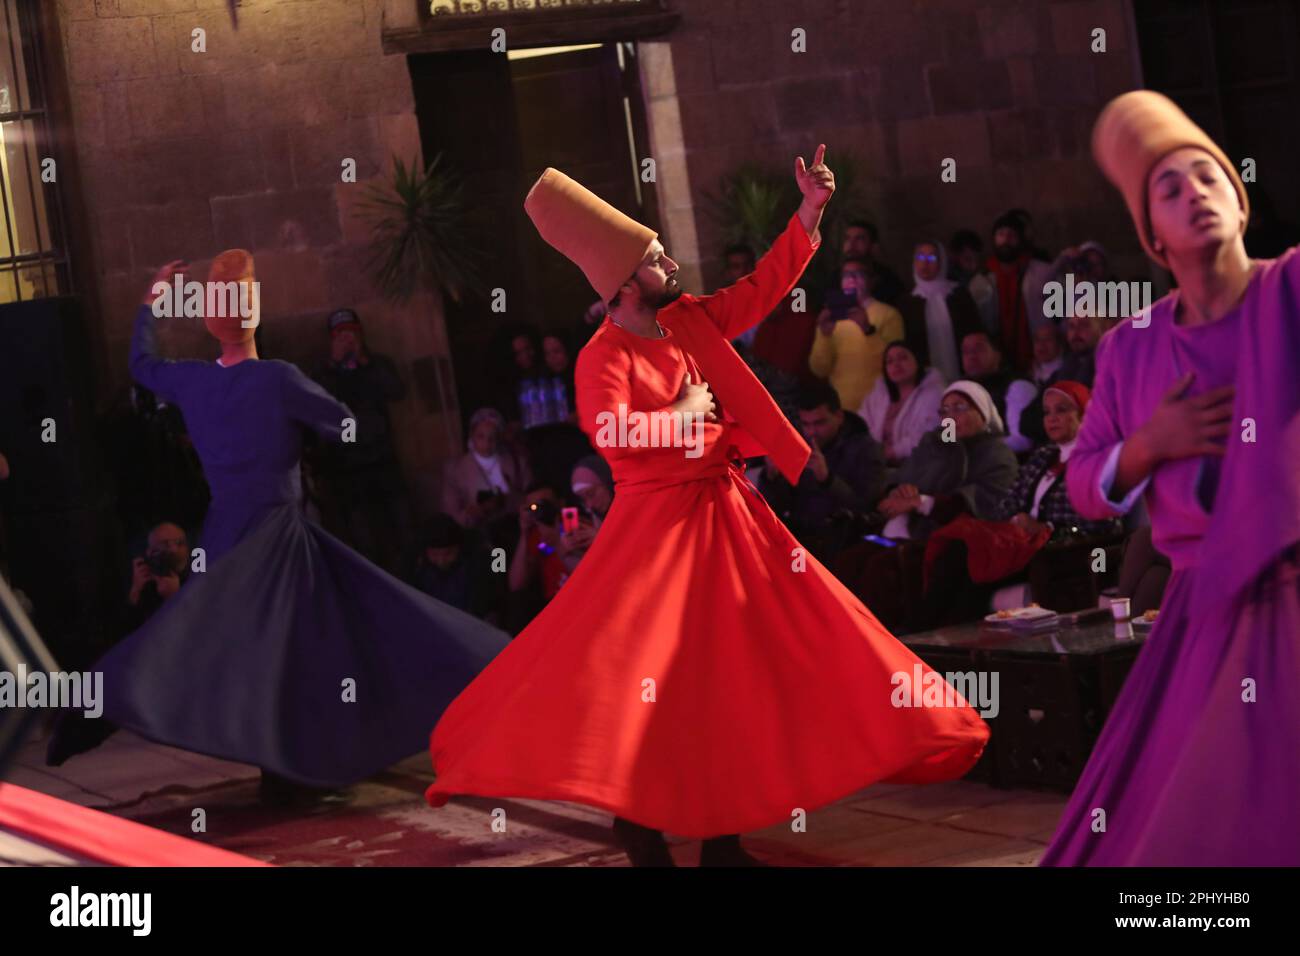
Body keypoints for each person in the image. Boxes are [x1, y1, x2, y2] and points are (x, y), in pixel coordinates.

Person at [425, 151, 989, 867]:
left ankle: (723, 838)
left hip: (726, 516)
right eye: (656, 257)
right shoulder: (603, 356)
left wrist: (810, 211)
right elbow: (613, 434)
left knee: (738, 677)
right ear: (627, 283)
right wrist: (689, 411)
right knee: (651, 690)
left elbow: (760, 291)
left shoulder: (689, 319)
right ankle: (641, 828)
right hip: (655, 535)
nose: (670, 261)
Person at [48, 251, 510, 799]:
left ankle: (112, 706)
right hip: (281, 540)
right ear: (255, 315)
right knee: (321, 643)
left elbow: (141, 364)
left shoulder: (193, 383)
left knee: (213, 647)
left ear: (210, 323)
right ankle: (308, 761)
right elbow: (351, 431)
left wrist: (153, 298)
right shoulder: (280, 380)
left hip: (224, 540)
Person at [1040, 91, 1300, 866]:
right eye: (1170, 187)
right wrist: (1148, 446)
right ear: (1150, 233)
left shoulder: (1290, 291)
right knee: (1186, 827)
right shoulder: (1130, 349)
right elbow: (1083, 483)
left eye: (1209, 176)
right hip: (1202, 620)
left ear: (1241, 201)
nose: (1195, 193)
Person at [915, 381, 1121, 628]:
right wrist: (1016, 522)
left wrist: (1045, 527)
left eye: (1063, 410)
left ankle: (923, 633)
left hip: (1058, 553)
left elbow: (1106, 524)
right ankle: (941, 641)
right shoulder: (1043, 456)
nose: (1052, 418)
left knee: (965, 557)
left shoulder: (1098, 461)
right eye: (1047, 412)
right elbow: (1007, 505)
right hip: (1021, 545)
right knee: (963, 551)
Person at [312, 308, 412, 572]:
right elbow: (318, 407)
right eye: (340, 335)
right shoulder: (323, 372)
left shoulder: (378, 364)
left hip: (383, 459)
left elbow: (397, 391)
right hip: (348, 468)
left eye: (351, 333)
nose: (347, 339)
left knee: (404, 529)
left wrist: (365, 362)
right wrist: (335, 365)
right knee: (363, 539)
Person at [757, 381, 887, 560]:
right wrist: (772, 477)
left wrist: (827, 480)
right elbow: (778, 507)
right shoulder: (800, 446)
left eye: (819, 423)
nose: (812, 432)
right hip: (801, 539)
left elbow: (869, 506)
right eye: (806, 424)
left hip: (845, 541)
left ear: (839, 417)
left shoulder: (866, 449)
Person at [875, 381, 1020, 541]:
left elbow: (986, 501)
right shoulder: (933, 444)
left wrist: (922, 503)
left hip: (961, 542)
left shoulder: (998, 454)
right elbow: (903, 475)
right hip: (910, 531)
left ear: (982, 413)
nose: (950, 417)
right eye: (944, 411)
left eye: (959, 408)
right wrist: (898, 491)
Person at [808, 256, 905, 413]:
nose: (851, 279)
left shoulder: (889, 314)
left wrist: (867, 329)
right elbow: (819, 369)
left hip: (878, 406)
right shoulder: (831, 316)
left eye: (858, 274)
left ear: (871, 281)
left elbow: (896, 365)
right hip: (841, 407)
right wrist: (824, 336)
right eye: (846, 275)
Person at [897, 239, 982, 383]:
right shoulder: (907, 303)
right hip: (926, 379)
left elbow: (974, 330)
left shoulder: (958, 294)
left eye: (932, 257)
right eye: (920, 257)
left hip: (964, 372)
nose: (925, 263)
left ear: (942, 262)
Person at [858, 340, 946, 468]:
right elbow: (861, 426)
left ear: (917, 360)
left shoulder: (935, 394)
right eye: (890, 361)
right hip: (879, 466)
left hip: (920, 466)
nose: (896, 365)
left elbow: (933, 432)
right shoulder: (877, 395)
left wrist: (894, 452)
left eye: (903, 358)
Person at [441, 407, 531, 533]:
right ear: (472, 436)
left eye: (492, 437)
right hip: (479, 536)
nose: (487, 443)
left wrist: (509, 500)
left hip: (517, 528)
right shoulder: (455, 470)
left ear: (499, 437)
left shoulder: (517, 462)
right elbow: (451, 517)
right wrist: (478, 512)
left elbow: (532, 498)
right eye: (480, 436)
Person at [986, 211, 1055, 372]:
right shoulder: (984, 280)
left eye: (1012, 234)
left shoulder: (1041, 272)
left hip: (1040, 359)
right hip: (1001, 364)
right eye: (1001, 234)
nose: (1006, 239)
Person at [959, 330, 1039, 453]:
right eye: (966, 352)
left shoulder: (1017, 386)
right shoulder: (960, 391)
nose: (971, 356)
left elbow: (1023, 441)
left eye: (979, 349)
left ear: (997, 355)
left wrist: (975, 449)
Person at [121, 521, 191, 635]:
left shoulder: (198, 579)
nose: (173, 550)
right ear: (149, 553)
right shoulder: (144, 585)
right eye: (164, 544)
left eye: (179, 543)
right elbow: (126, 637)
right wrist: (135, 591)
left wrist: (175, 597)